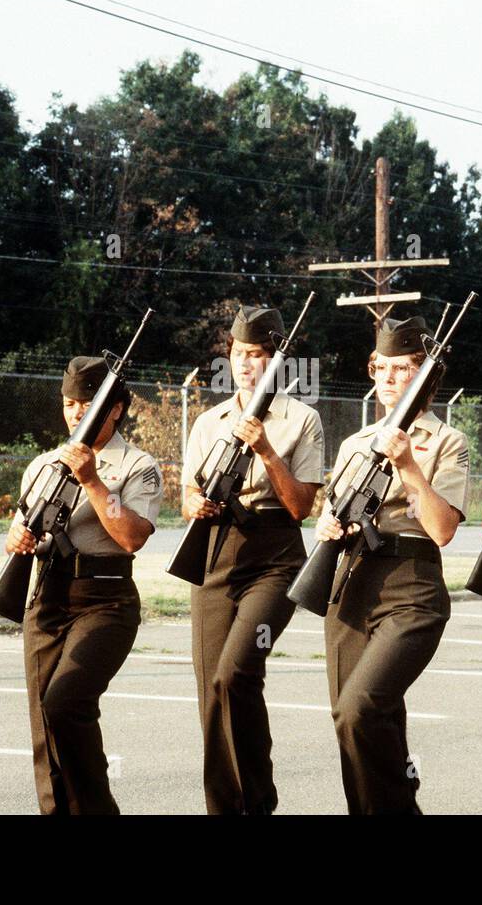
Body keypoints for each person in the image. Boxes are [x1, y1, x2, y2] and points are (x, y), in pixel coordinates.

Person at [314, 315, 468, 814]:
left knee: (362, 709)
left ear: (423, 376)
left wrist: (408, 466)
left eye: (401, 368)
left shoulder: (447, 442)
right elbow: (330, 512)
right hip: (352, 584)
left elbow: (442, 529)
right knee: (350, 716)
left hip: (412, 587)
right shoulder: (355, 443)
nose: (387, 376)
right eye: (380, 366)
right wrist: (326, 527)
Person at [181, 305, 324, 814]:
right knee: (210, 692)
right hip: (216, 551)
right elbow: (187, 495)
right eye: (240, 354)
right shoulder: (208, 422)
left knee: (235, 673)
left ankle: (258, 802)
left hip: (275, 554)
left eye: (258, 355)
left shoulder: (301, 420)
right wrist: (194, 504)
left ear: (276, 362)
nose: (247, 365)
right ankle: (223, 806)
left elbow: (302, 506)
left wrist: (265, 450)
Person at [7, 356, 162, 814]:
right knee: (44, 724)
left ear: (113, 409)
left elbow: (132, 537)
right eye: (69, 403)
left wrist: (92, 480)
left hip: (106, 600)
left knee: (66, 702)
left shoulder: (137, 464)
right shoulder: (42, 464)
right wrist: (17, 536)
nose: (76, 412)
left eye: (87, 403)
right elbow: (21, 528)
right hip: (48, 594)